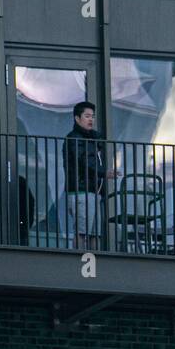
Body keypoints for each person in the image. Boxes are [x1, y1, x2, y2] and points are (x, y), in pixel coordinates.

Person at [62, 101, 113, 250]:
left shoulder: (90, 139)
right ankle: (79, 262)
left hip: (92, 192)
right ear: (77, 118)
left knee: (95, 233)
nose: (91, 119)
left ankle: (94, 266)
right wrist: (104, 172)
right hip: (81, 191)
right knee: (82, 232)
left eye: (93, 116)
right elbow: (85, 160)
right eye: (87, 116)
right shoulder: (75, 138)